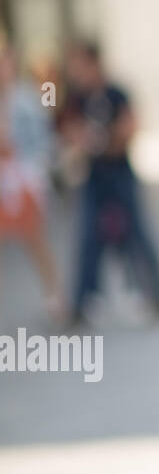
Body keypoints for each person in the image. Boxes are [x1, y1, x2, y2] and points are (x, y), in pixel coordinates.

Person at [61, 41, 159, 325]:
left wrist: (103, 141)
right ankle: (83, 304)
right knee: (89, 238)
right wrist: (89, 141)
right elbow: (70, 133)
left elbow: (129, 129)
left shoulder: (116, 93)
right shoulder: (77, 98)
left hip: (119, 172)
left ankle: (156, 295)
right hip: (94, 176)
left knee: (136, 234)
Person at [0, 42, 65, 324]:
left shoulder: (26, 100)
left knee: (34, 238)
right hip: (5, 177)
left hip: (24, 175)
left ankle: (55, 295)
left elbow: (43, 141)